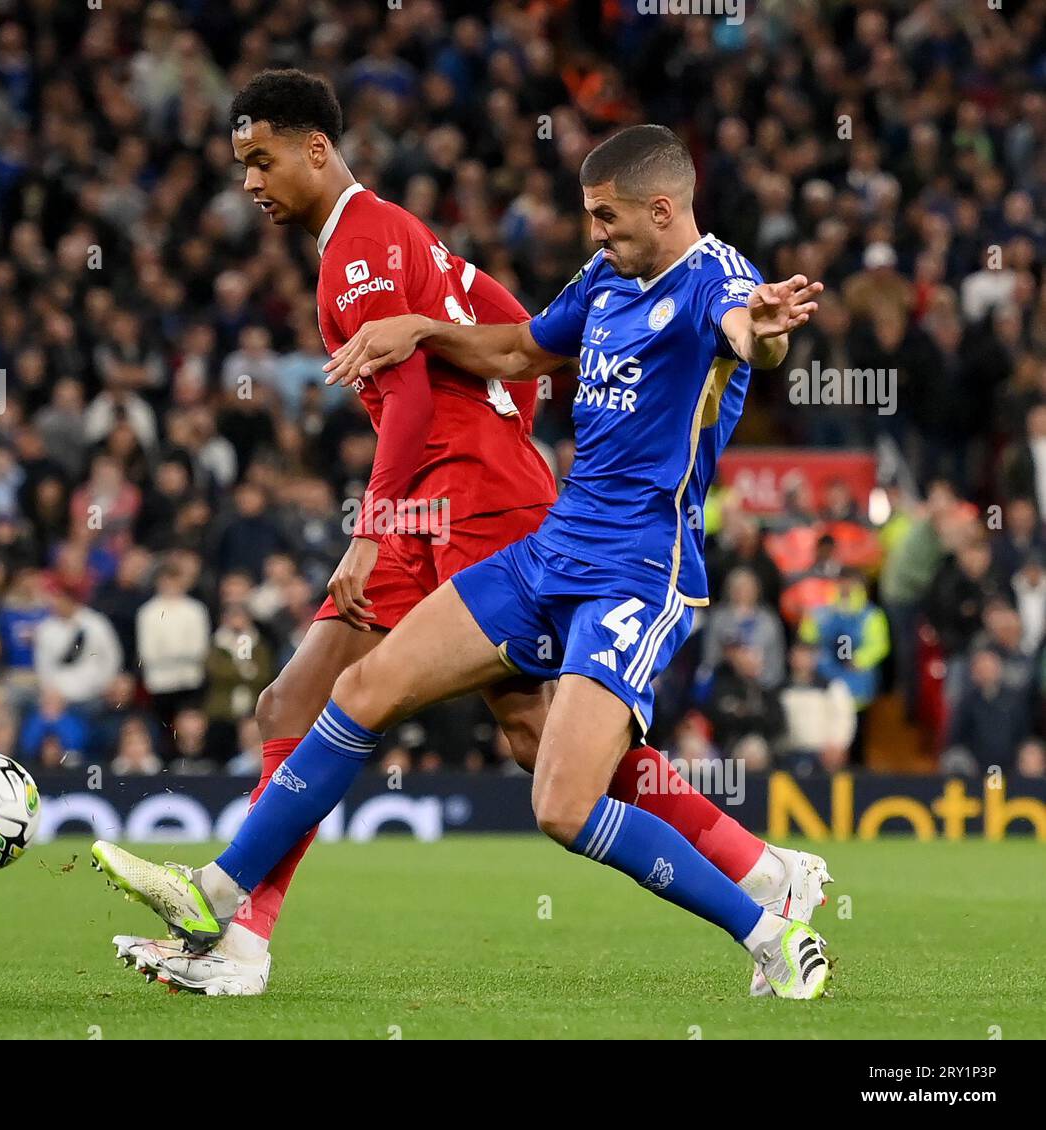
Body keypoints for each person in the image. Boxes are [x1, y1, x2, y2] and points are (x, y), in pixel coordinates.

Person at [94, 122, 834, 1000]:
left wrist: (769, 330)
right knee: (360, 693)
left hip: (636, 572)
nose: (593, 233)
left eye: (606, 217)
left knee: (560, 805)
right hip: (550, 551)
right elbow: (519, 348)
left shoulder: (718, 281)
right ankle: (214, 893)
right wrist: (424, 329)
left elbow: (750, 329)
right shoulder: (606, 277)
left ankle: (767, 931)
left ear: (662, 209)